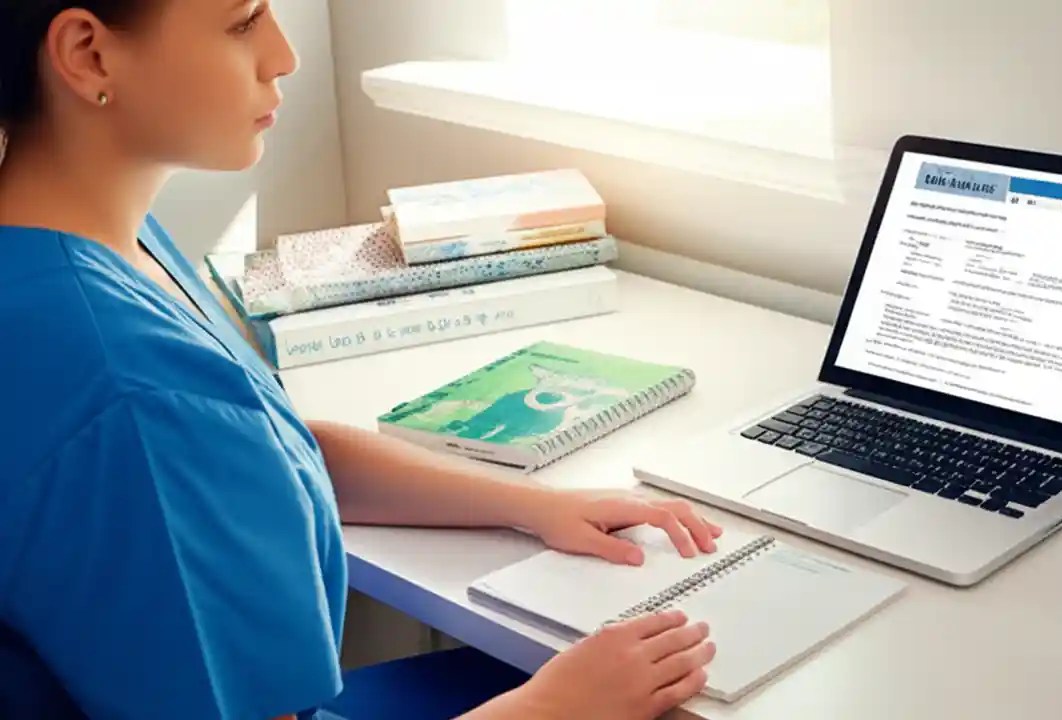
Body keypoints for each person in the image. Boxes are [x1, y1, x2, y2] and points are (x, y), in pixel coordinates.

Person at [0, 1, 720, 718]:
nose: (284, 56)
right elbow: (177, 440)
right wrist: (561, 707)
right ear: (89, 55)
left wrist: (536, 507)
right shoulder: (128, 382)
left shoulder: (89, 246)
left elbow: (267, 448)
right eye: (243, 20)